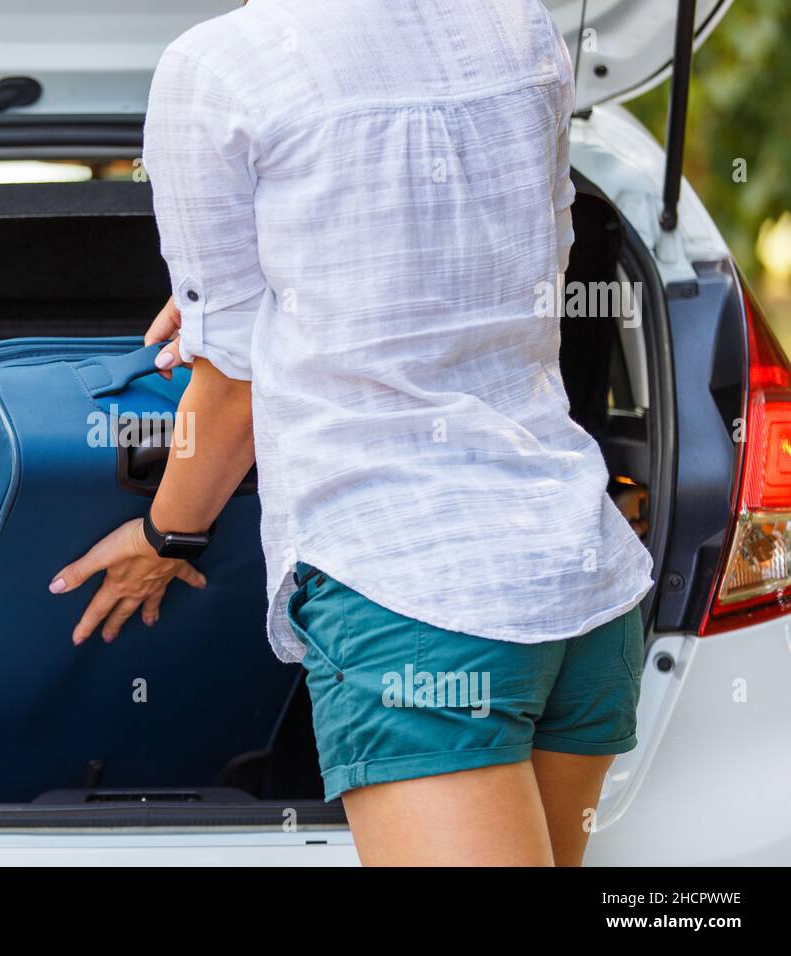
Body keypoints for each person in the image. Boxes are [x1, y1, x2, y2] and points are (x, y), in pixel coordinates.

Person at [48, 0, 653, 866]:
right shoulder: (517, 24)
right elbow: (516, 269)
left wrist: (164, 532)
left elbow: (230, 397)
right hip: (581, 586)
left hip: (418, 601)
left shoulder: (220, 68)